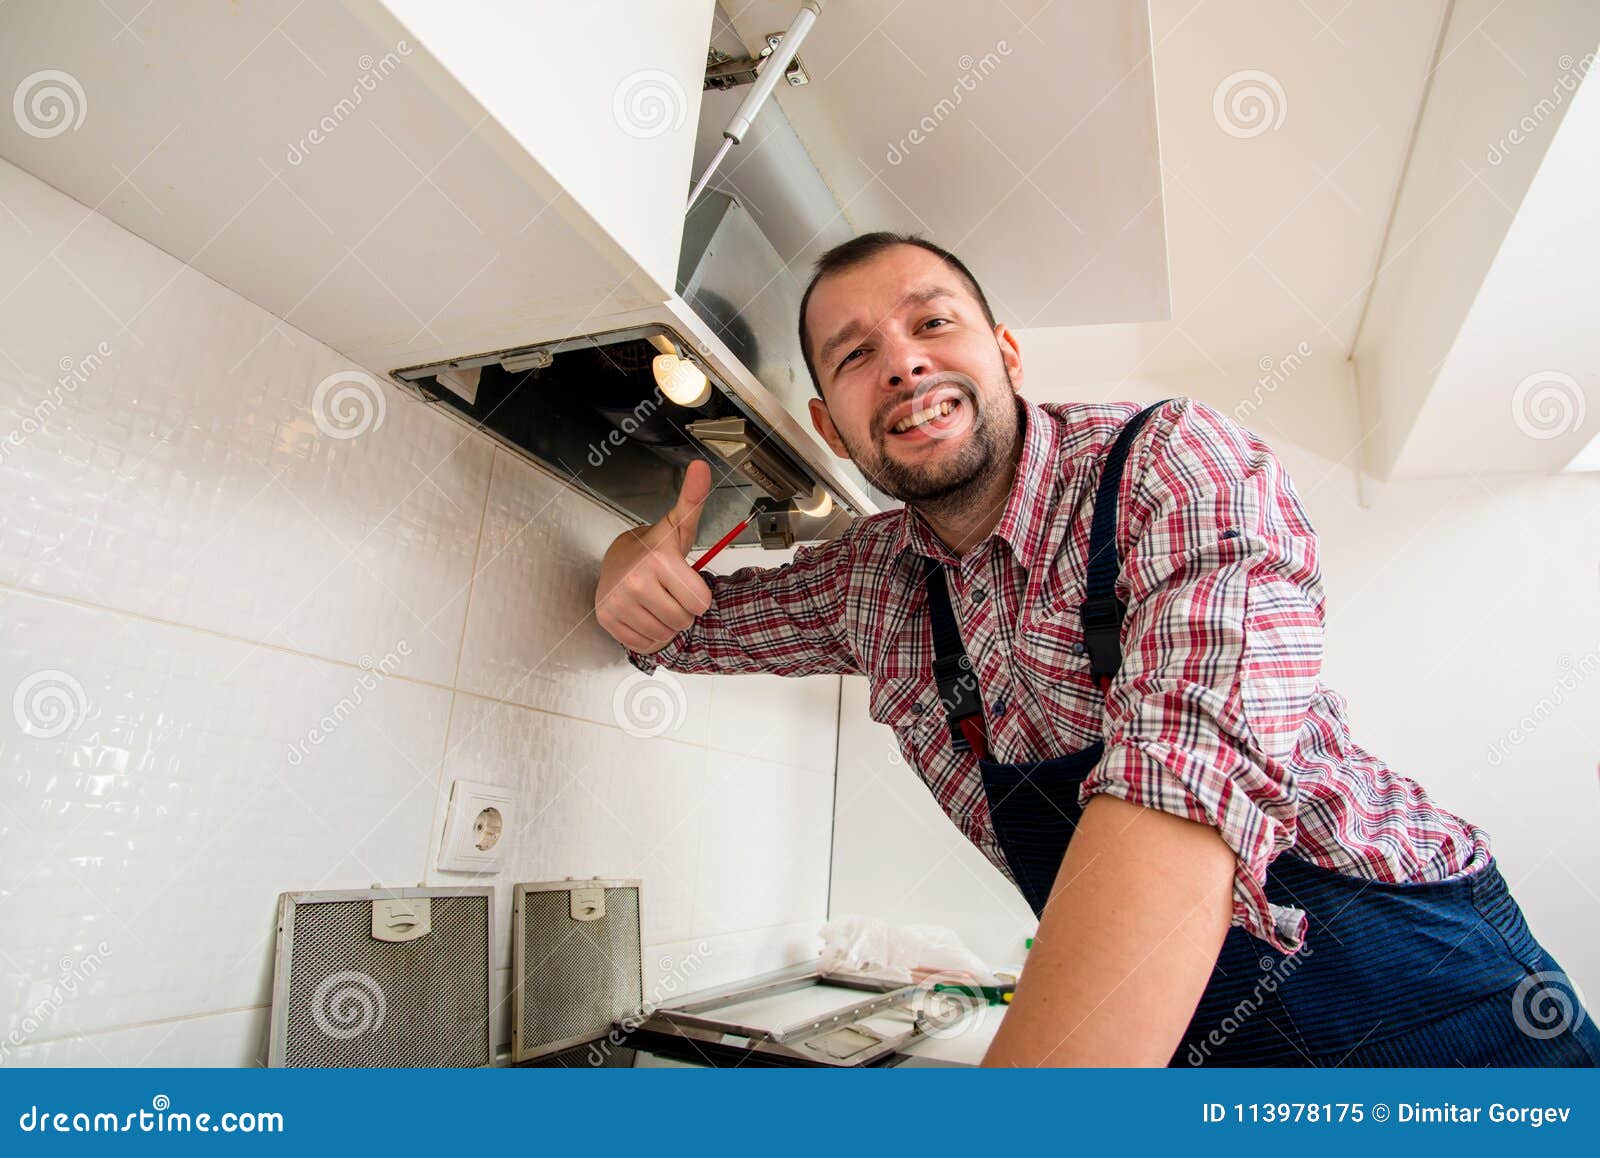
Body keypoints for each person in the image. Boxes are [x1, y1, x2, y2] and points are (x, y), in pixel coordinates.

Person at [595, 232, 1598, 1067]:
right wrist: (625, 564)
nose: (901, 364)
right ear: (830, 424)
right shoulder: (871, 583)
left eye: (932, 323)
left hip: (1434, 1007)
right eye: (855, 355)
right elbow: (679, 622)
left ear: (1006, 353)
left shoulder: (1173, 464)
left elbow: (1182, 785)